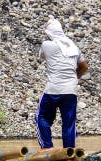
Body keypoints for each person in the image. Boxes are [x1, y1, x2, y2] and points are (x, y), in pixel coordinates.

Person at [35, 18, 88, 149]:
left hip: (53, 90)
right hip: (70, 91)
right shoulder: (73, 46)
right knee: (69, 123)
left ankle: (47, 148)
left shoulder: (47, 45)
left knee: (41, 118)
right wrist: (74, 77)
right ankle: (69, 153)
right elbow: (84, 66)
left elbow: (42, 57)